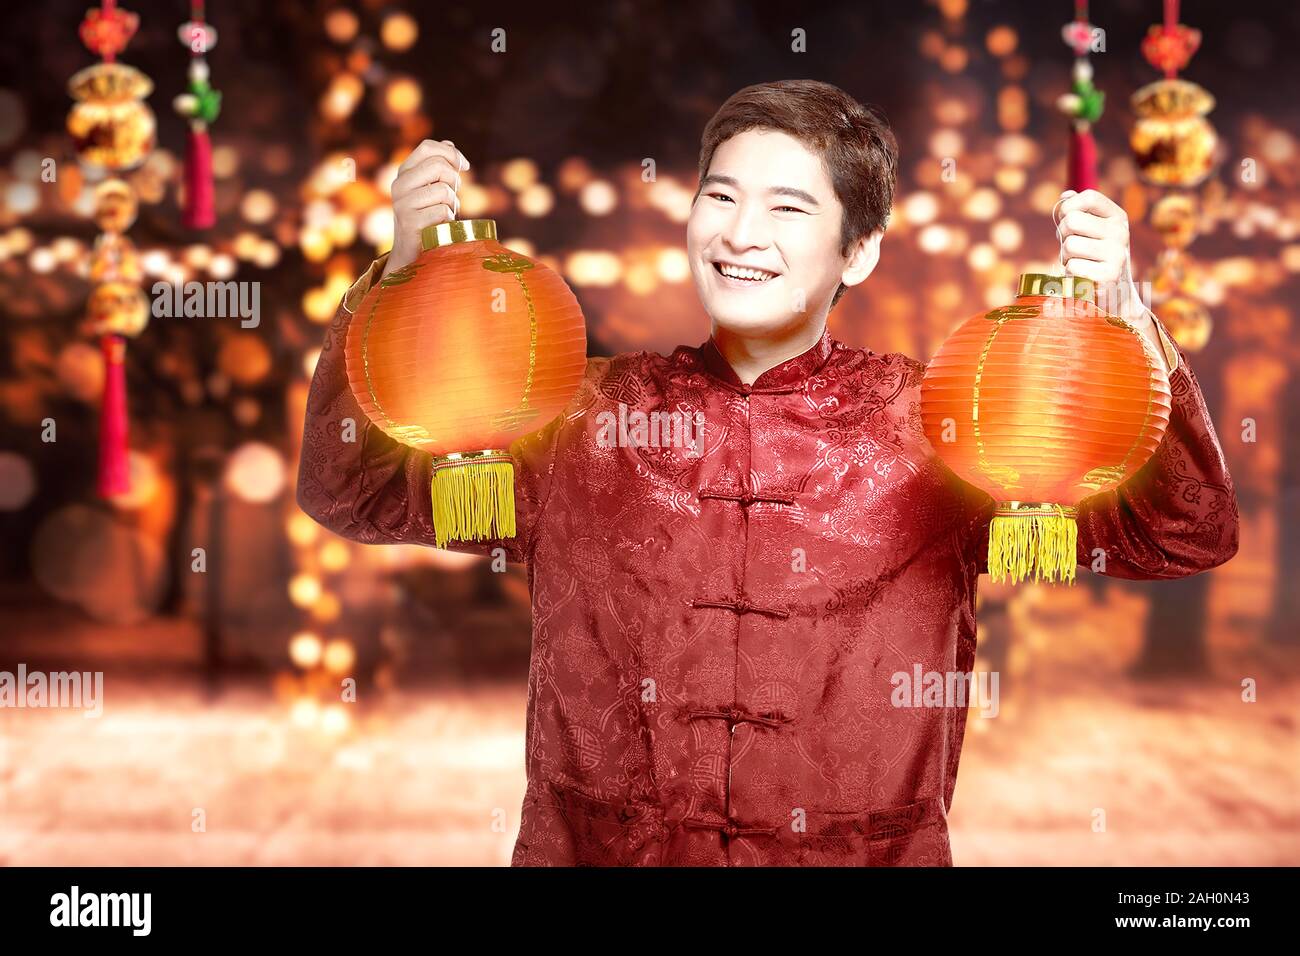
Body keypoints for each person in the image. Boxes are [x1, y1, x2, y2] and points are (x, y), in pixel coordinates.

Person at [297, 79, 1239, 866]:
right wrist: (401, 282)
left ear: (859, 252)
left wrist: (1126, 327)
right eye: (721, 195)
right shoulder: (575, 416)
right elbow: (354, 490)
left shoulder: (945, 422)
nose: (741, 234)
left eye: (790, 208)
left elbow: (1179, 531)